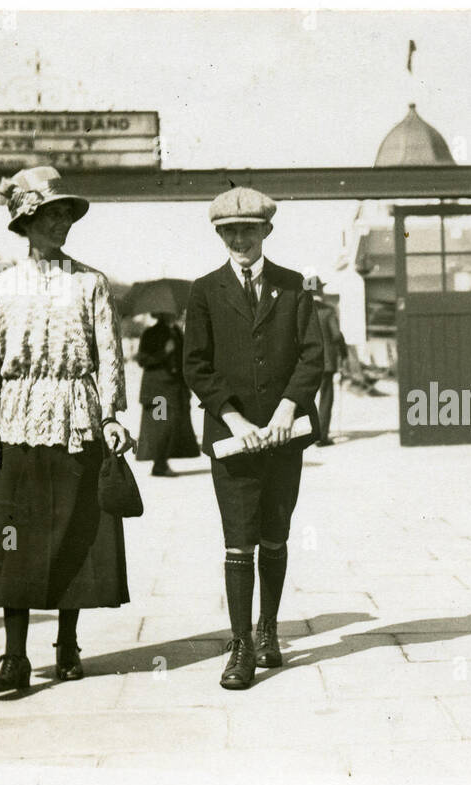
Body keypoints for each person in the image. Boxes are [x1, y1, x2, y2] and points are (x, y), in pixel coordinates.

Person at [0, 166, 134, 693]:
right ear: (26, 220)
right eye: (51, 214)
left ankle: (66, 645)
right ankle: (15, 656)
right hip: (18, 421)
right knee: (13, 539)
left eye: (66, 214)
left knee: (75, 530)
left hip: (77, 419)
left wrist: (111, 417)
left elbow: (110, 355)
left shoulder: (91, 283)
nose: (62, 223)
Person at [183, 187, 324, 690]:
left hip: (285, 436)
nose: (240, 239)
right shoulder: (204, 291)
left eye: (248, 229)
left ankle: (269, 631)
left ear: (267, 231)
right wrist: (235, 419)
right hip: (233, 440)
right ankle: (240, 643)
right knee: (239, 541)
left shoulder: (293, 286)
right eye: (229, 231)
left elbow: (313, 355)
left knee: (275, 534)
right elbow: (196, 365)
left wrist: (289, 407)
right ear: (220, 235)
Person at [134, 311, 199, 475]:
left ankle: (162, 461)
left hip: (175, 389)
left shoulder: (176, 332)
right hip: (158, 392)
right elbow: (143, 359)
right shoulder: (151, 333)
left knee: (172, 426)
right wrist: (165, 352)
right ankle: (159, 464)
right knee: (159, 425)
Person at [313, 287, 346, 446]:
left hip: (306, 362)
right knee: (326, 398)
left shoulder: (302, 310)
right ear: (320, 291)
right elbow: (336, 335)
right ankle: (321, 436)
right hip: (326, 363)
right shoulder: (328, 311)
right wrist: (344, 352)